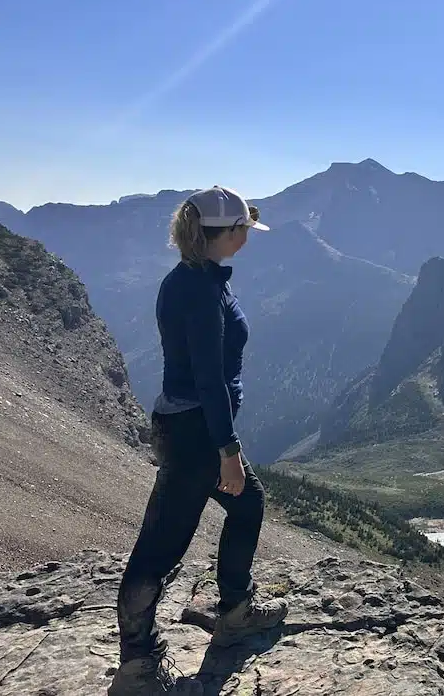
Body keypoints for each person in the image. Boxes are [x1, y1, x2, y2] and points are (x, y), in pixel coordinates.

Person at [111, 186, 288, 696]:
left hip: (186, 424)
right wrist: (227, 452)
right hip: (197, 433)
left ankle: (234, 608)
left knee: (248, 504)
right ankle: (139, 668)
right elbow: (209, 377)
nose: (248, 238)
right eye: (245, 231)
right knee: (160, 551)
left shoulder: (192, 279)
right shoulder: (201, 290)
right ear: (228, 233)